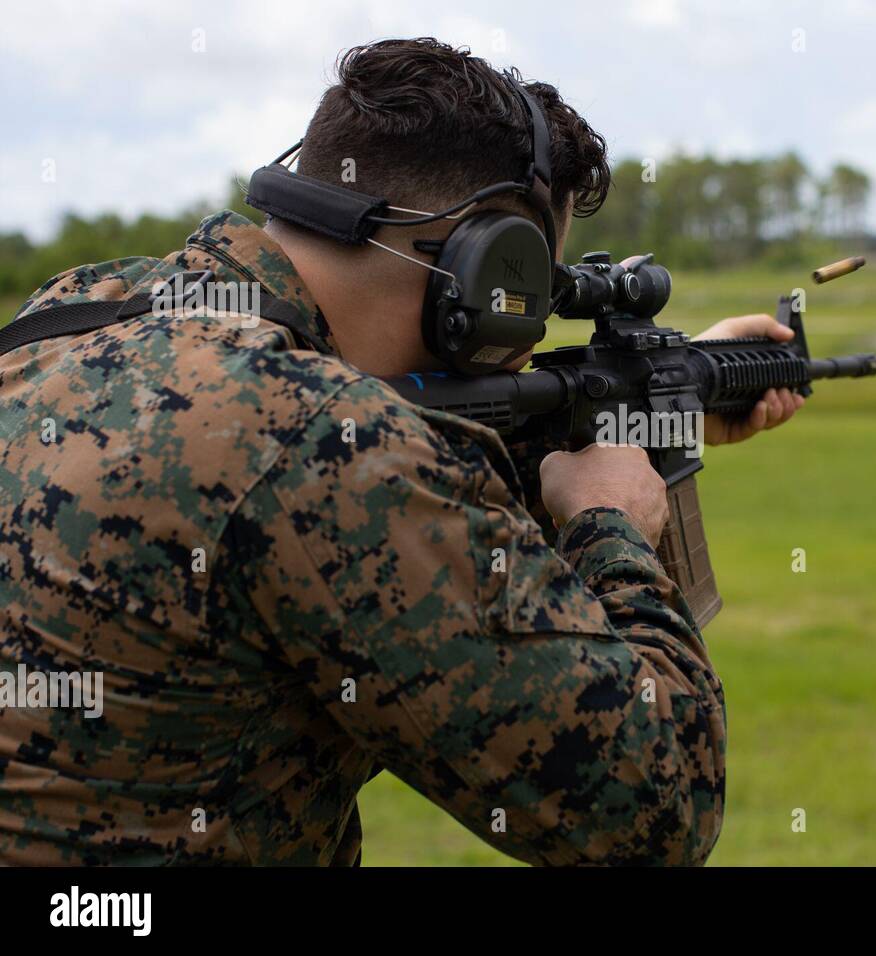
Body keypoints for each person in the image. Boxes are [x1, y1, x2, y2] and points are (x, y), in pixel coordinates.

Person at [0, 37, 801, 866]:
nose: (529, 338)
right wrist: (611, 522)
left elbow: (313, 492)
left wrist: (658, 400)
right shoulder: (331, 443)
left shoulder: (78, 314)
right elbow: (656, 807)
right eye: (537, 286)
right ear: (487, 259)